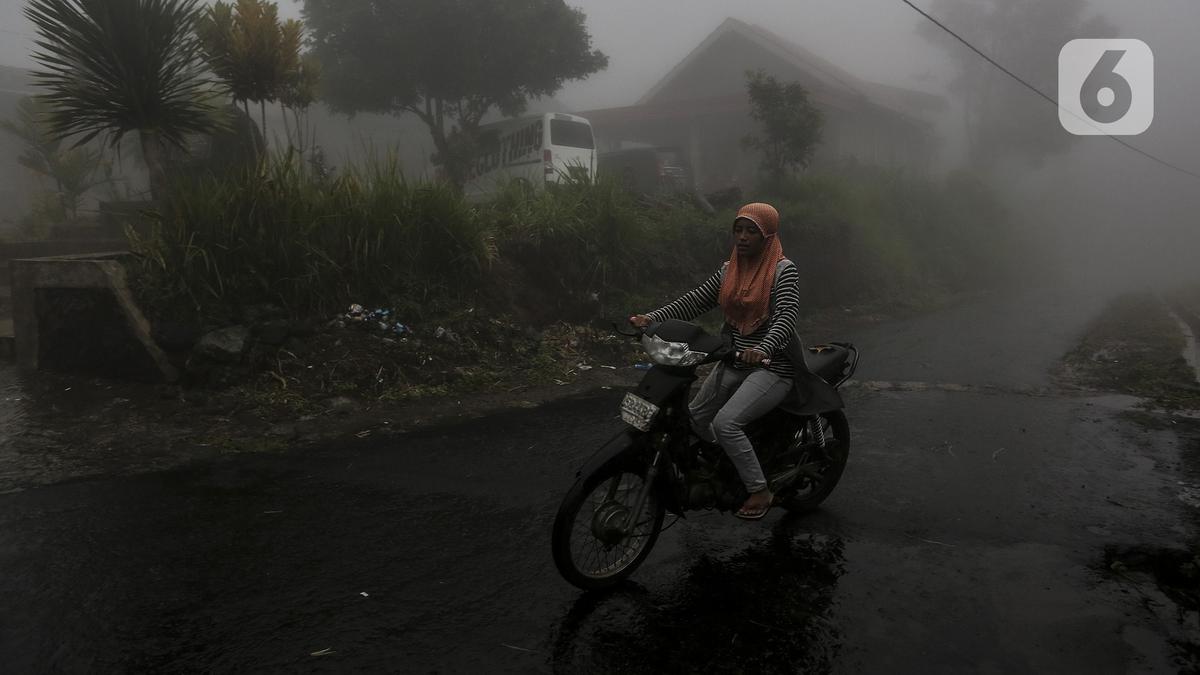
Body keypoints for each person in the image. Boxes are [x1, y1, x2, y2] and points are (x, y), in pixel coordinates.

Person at [630, 202, 800, 520]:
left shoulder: (782, 270)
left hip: (772, 365)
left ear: (768, 236)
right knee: (693, 420)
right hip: (734, 360)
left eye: (752, 231)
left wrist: (764, 348)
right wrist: (651, 318)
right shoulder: (729, 270)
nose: (743, 237)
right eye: (739, 230)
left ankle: (760, 490)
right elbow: (696, 299)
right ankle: (724, 469)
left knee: (726, 424)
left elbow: (786, 317)